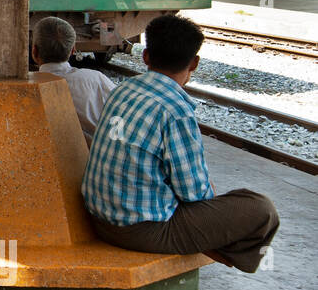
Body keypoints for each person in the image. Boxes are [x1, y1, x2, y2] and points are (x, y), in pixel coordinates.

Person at [82, 15, 279, 272]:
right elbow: (194, 193)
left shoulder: (123, 89)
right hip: (139, 231)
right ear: (194, 63)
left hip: (98, 217)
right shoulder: (176, 110)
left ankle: (210, 244)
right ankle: (221, 250)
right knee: (261, 209)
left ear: (146, 57)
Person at [32, 17, 114, 144]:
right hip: (91, 160)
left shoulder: (27, 87)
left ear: (34, 52)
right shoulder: (96, 80)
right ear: (73, 50)